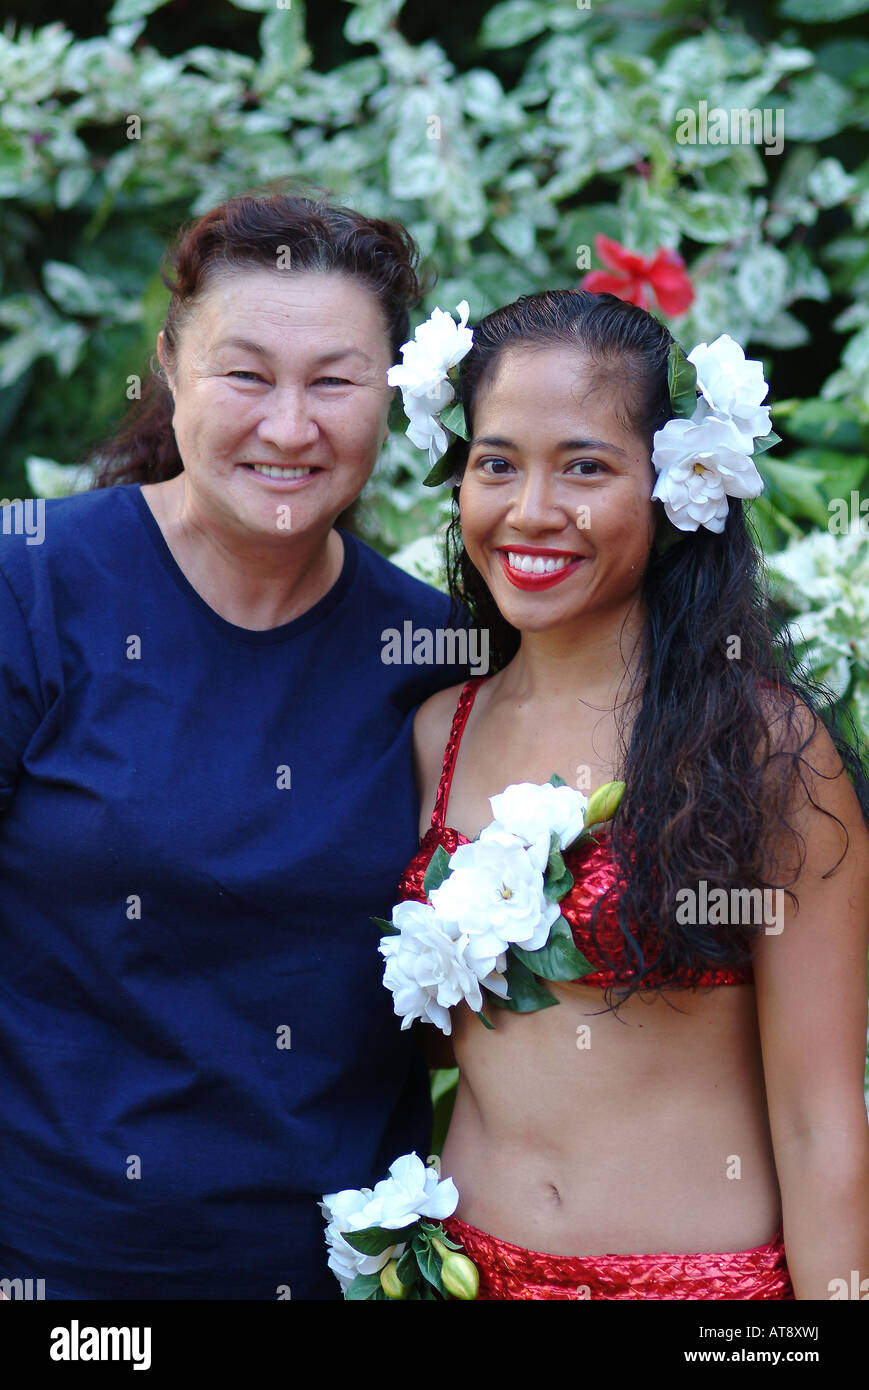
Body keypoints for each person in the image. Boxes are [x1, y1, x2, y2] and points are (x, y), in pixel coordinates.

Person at [0, 190, 468, 1300]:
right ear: (168, 367)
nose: (290, 426)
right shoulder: (33, 587)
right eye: (246, 374)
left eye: (335, 381)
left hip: (339, 1271)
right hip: (53, 1270)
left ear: (393, 392)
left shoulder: (437, 650)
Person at [394, 289, 869, 1300]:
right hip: (465, 1274)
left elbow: (818, 1122)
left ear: (670, 487)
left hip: (701, 1296)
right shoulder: (439, 732)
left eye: (584, 466)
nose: (529, 510)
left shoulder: (762, 746)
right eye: (495, 462)